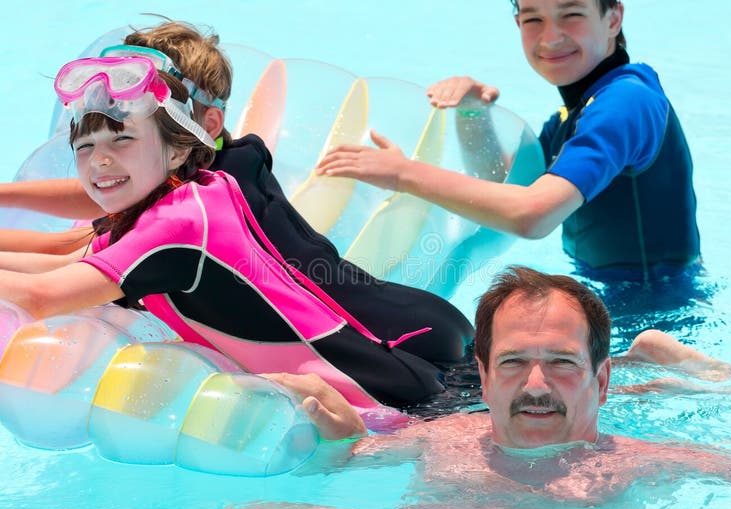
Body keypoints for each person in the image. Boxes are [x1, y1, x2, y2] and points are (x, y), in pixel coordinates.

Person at [108, 266, 731, 509]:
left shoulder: (640, 461)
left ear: (602, 382)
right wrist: (331, 433)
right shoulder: (445, 437)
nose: (536, 385)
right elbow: (337, 468)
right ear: (484, 377)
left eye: (562, 364)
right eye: (513, 363)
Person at [0, 53, 478, 433]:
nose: (100, 161)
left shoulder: (179, 223)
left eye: (121, 140)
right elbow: (63, 265)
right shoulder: (180, 200)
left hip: (398, 405)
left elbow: (41, 296)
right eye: (85, 147)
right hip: (399, 374)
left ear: (179, 148)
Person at [316, 0, 701, 283]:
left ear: (613, 19)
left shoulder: (626, 103)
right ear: (518, 24)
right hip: (615, 298)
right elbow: (504, 187)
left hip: (657, 308)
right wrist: (473, 114)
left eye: (571, 14)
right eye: (534, 20)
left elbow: (532, 214)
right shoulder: (574, 116)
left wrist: (403, 174)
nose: (551, 37)